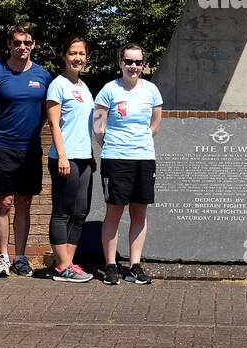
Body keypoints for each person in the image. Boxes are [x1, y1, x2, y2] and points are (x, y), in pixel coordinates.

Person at [0, 24, 52, 277]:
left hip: (30, 150)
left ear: (33, 45)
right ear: (9, 44)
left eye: (27, 43)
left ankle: (20, 258)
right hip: (3, 149)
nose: (22, 47)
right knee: (4, 202)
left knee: (24, 203)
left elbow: (44, 113)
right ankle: (3, 257)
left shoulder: (44, 76)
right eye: (17, 42)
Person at [94, 43, 163, 286]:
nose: (133, 66)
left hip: (144, 159)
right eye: (128, 61)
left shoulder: (152, 90)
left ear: (143, 64)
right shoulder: (108, 90)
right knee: (114, 212)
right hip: (116, 159)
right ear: (120, 63)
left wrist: (139, 144)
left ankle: (135, 266)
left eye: (138, 62)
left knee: (139, 213)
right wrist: (114, 146)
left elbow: (154, 124)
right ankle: (110, 265)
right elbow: (98, 127)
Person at [46, 35, 96, 282]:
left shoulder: (84, 87)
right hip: (65, 159)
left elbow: (85, 126)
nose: (78, 58)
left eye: (81, 54)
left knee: (80, 212)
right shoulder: (58, 85)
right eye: (73, 53)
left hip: (84, 158)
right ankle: (61, 266)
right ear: (63, 56)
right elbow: (54, 124)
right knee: (62, 211)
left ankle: (69, 263)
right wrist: (63, 157)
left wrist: (92, 156)